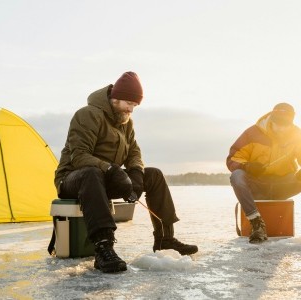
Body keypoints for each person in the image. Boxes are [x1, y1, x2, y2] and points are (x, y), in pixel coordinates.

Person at [54, 71, 198, 273]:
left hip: (104, 178)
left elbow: (134, 152)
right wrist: (112, 169)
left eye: (135, 105)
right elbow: (79, 157)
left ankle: (165, 240)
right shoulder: (87, 115)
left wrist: (136, 174)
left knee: (153, 175)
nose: (131, 109)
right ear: (115, 98)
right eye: (129, 103)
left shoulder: (126, 122)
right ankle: (104, 247)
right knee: (91, 173)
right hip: (73, 178)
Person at [226, 102, 301, 247]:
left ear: (291, 122)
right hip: (258, 185)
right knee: (237, 176)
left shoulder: (297, 135)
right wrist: (247, 166)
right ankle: (256, 224)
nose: (281, 128)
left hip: (283, 185)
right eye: (277, 122)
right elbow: (233, 158)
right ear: (271, 117)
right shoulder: (252, 133)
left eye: (285, 124)